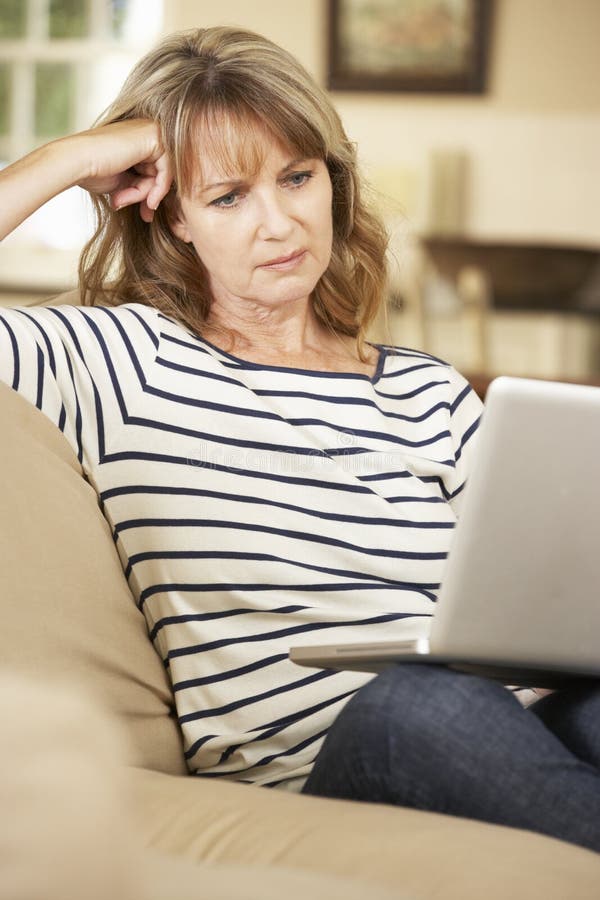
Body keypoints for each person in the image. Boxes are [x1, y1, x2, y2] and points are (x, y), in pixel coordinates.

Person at [0, 26, 598, 853]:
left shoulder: (429, 390)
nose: (279, 223)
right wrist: (70, 157)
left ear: (332, 182)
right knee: (413, 701)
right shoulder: (121, 357)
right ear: (173, 219)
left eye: (296, 177)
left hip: (496, 734)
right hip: (328, 763)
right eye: (227, 196)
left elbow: (528, 607)